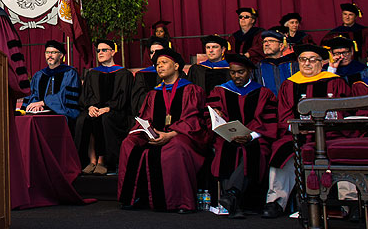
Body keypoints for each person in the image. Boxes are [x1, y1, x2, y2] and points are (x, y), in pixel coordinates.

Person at [262, 44, 351, 218]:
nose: (307, 64)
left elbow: (344, 108)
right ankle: (276, 202)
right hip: (298, 134)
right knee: (282, 150)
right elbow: (284, 113)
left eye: (312, 60)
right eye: (303, 60)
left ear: (321, 63)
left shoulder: (335, 82)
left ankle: (349, 204)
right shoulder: (290, 84)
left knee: (343, 151)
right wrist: (295, 127)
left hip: (330, 133)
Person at [118, 48, 209, 213]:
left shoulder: (191, 90)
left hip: (181, 135)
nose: (159, 66)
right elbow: (145, 118)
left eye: (164, 63)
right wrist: (148, 132)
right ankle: (134, 197)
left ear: (176, 66)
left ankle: (180, 201)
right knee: (129, 143)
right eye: (157, 64)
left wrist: (171, 134)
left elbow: (193, 119)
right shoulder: (153, 93)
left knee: (175, 147)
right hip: (156, 134)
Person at [207, 54, 277, 218]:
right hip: (227, 137)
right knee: (226, 149)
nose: (236, 76)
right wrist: (216, 116)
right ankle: (234, 201)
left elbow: (269, 120)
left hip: (255, 138)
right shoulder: (221, 91)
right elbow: (211, 115)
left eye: (241, 72)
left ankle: (231, 196)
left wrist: (251, 136)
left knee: (249, 149)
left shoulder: (263, 93)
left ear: (250, 72)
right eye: (233, 73)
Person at [74, 40, 133, 175]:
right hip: (95, 108)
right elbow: (86, 95)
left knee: (105, 119)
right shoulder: (92, 73)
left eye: (104, 50)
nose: (100, 53)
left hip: (115, 110)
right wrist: (90, 107)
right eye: (98, 51)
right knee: (84, 120)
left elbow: (124, 97)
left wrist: (110, 107)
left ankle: (104, 161)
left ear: (113, 52)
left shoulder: (124, 73)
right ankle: (91, 161)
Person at [21, 40, 81, 129]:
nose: (49, 55)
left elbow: (66, 96)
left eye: (53, 52)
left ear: (61, 55)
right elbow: (33, 94)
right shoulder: (39, 75)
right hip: (40, 113)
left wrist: (44, 103)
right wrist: (35, 106)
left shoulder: (70, 73)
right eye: (47, 52)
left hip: (62, 112)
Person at [131, 37, 168, 117]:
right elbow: (138, 99)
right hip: (148, 114)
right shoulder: (142, 74)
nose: (154, 55)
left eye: (158, 52)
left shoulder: (175, 73)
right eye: (152, 52)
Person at [254, 29, 298, 96]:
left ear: (281, 45)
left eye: (271, 41)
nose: (266, 44)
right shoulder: (257, 67)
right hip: (267, 104)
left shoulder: (293, 65)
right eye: (264, 41)